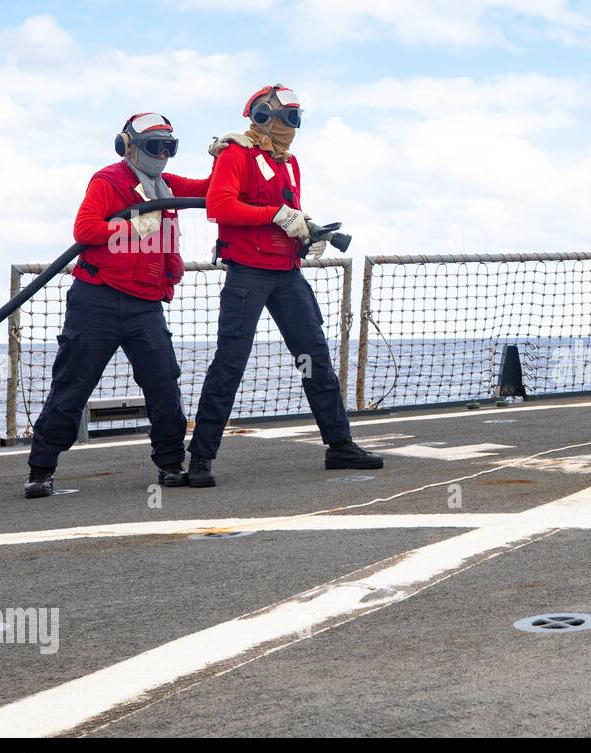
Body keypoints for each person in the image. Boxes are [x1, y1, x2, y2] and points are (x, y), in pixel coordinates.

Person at [186, 84, 381, 487]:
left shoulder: (287, 162)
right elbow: (220, 206)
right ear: (262, 115)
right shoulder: (236, 154)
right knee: (230, 362)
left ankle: (340, 444)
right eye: (289, 117)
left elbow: (282, 211)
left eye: (296, 118)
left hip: (285, 271)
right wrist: (278, 215)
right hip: (249, 273)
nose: (293, 126)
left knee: (314, 356)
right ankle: (201, 458)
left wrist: (305, 232)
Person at [24, 113, 207, 499]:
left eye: (168, 147)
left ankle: (171, 464)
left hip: (145, 305)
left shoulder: (168, 186)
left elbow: (213, 189)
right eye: (154, 146)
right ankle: (41, 469)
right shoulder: (107, 181)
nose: (162, 154)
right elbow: (85, 230)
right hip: (97, 302)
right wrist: (128, 227)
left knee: (162, 383)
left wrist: (229, 154)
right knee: (73, 385)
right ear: (128, 147)